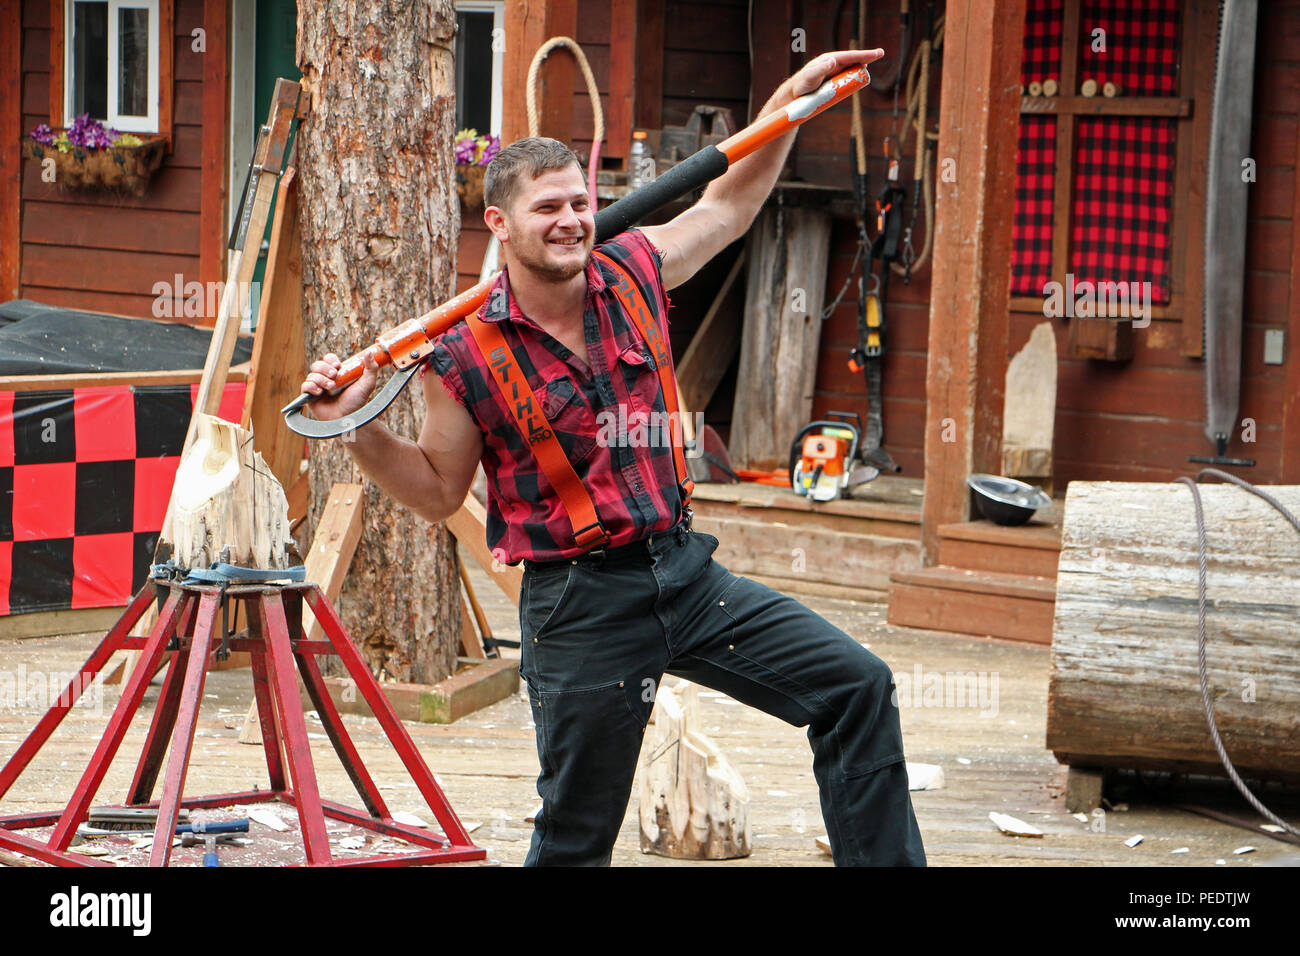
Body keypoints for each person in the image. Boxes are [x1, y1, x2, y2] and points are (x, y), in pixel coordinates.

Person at [302, 48, 926, 867]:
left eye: (580, 202)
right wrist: (358, 430)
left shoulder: (637, 267)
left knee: (856, 687)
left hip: (687, 577)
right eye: (546, 209)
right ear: (500, 224)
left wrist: (790, 104)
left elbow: (730, 205)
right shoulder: (463, 356)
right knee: (575, 836)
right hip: (579, 607)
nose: (570, 220)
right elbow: (434, 489)